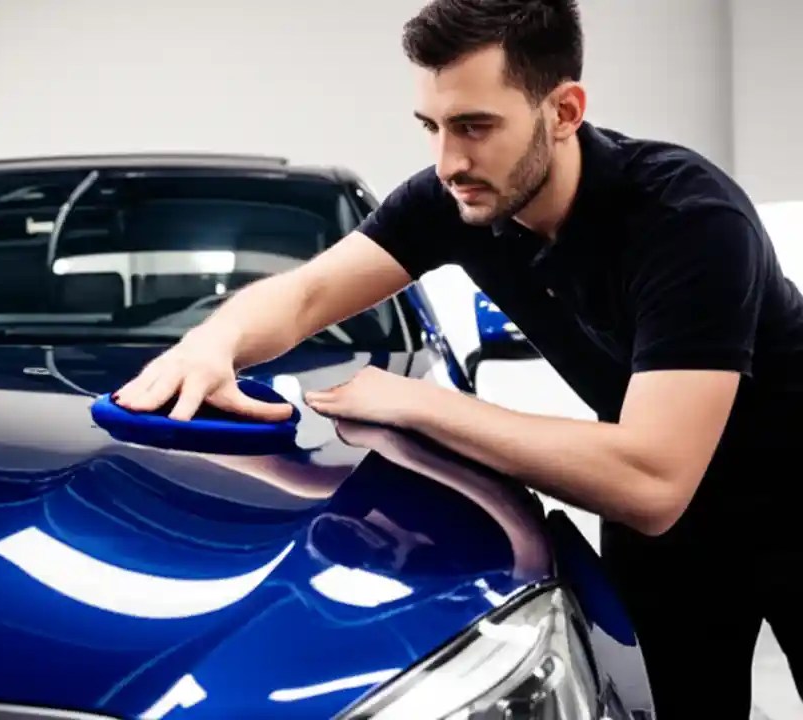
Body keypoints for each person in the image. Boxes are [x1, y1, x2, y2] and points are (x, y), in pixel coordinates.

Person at [112, 0, 803, 717]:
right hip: (669, 524)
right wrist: (209, 344)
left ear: (563, 110)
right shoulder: (460, 197)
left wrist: (418, 402)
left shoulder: (687, 218)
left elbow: (655, 482)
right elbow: (307, 294)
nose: (449, 162)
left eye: (475, 126)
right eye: (433, 127)